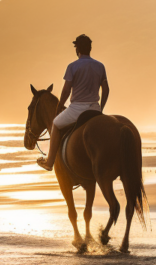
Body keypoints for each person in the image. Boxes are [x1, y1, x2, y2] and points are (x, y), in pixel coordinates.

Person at [37, 34, 109, 171]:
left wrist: (59, 108)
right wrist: (101, 108)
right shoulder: (100, 66)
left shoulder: (72, 66)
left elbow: (65, 92)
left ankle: (49, 162)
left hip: (77, 109)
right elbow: (106, 90)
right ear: (90, 49)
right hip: (94, 108)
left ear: (77, 49)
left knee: (56, 124)